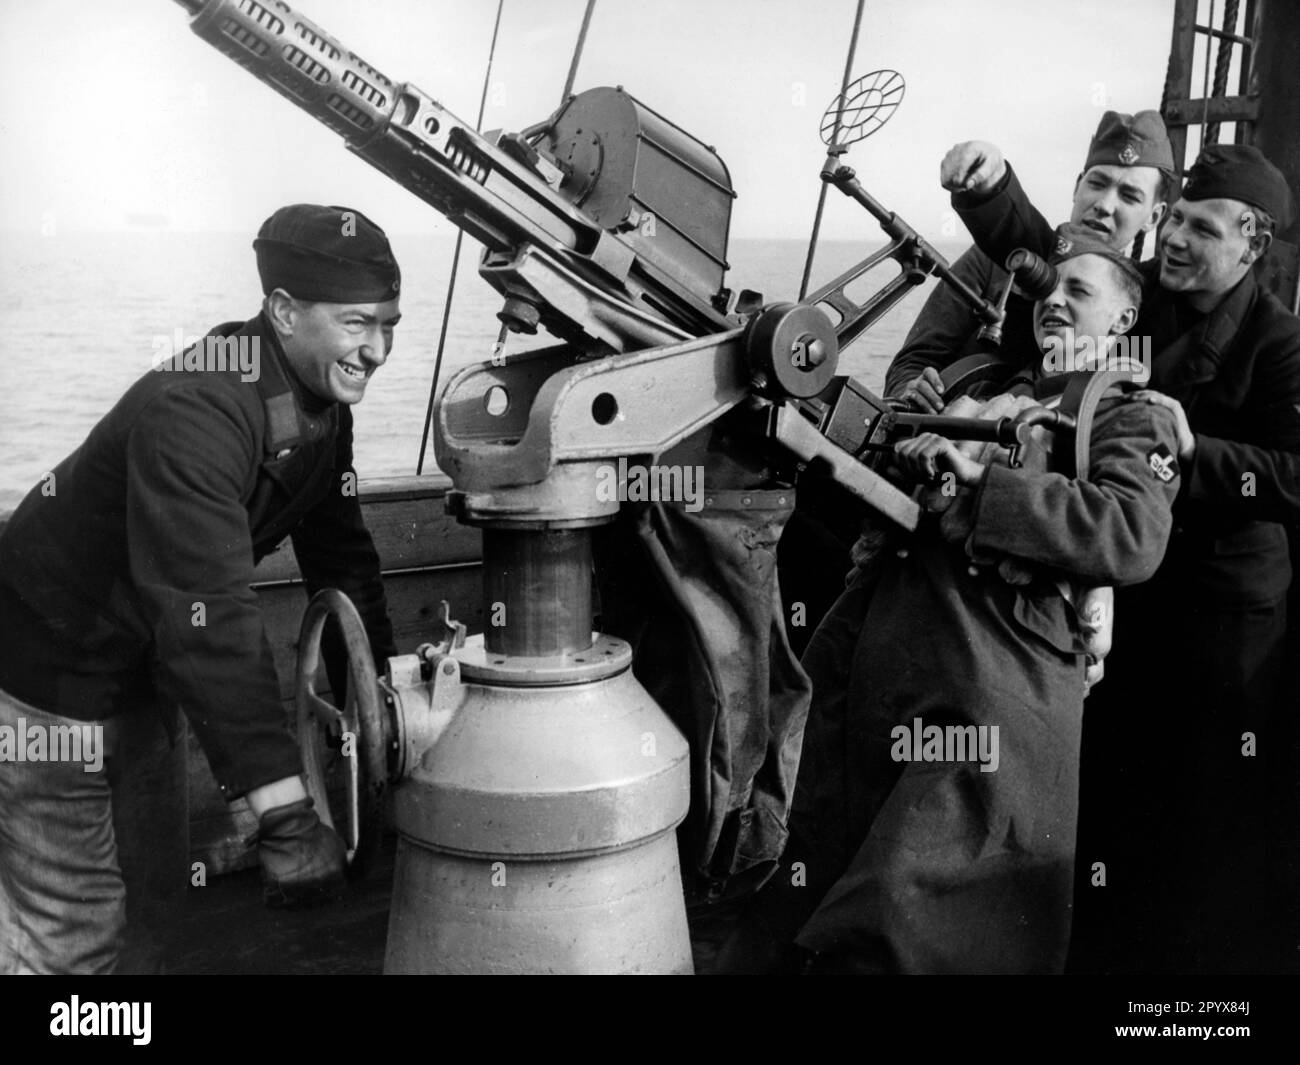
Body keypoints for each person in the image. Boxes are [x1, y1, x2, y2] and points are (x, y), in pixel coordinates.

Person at [719, 233, 1181, 973]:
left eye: (1081, 293)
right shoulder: (973, 379)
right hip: (868, 660)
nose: (1056, 302)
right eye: (1051, 290)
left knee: (917, 911)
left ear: (1124, 323)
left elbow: (1130, 531)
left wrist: (979, 486)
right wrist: (892, 437)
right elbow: (877, 494)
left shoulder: (1124, 413)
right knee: (805, 870)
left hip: (988, 680)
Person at [0, 203, 401, 974]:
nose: (377, 349)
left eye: (389, 324)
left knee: (154, 910)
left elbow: (342, 561)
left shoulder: (318, 406)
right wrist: (284, 815)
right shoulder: (198, 410)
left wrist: (377, 702)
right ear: (283, 311)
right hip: (44, 681)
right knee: (70, 937)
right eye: (357, 323)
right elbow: (209, 617)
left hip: (136, 674)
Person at [951, 141, 1300, 972]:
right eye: (1173, 219)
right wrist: (993, 190)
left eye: (1202, 229)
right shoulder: (1149, 307)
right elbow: (1062, 261)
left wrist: (1200, 449)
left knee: (1206, 806)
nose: (1174, 238)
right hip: (1127, 588)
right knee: (1115, 788)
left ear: (1251, 244)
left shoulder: (1278, 342)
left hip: (1223, 619)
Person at [888, 110, 1173, 412]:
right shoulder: (992, 261)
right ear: (1077, 187)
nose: (1104, 205)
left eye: (1130, 196)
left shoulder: (1145, 301)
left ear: (1154, 216)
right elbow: (915, 360)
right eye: (1097, 184)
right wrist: (910, 390)